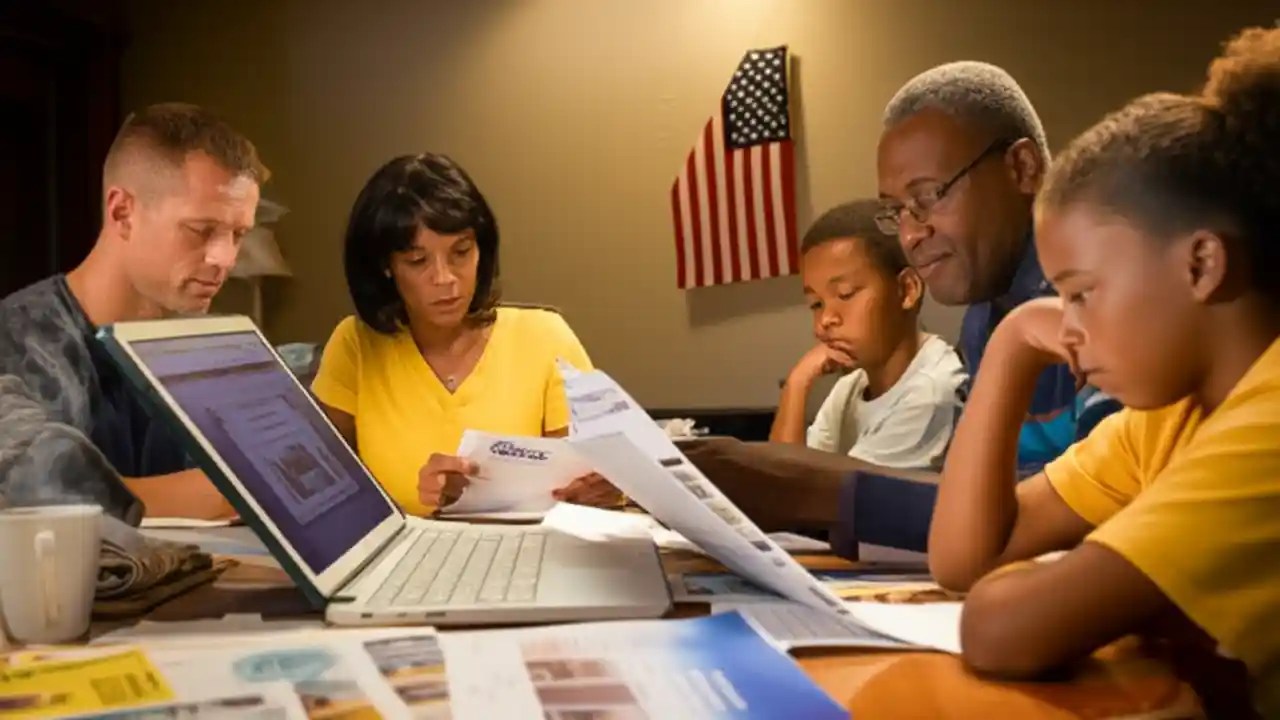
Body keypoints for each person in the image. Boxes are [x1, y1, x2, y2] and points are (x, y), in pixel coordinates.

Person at [930, 27, 1280, 717]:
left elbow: (1002, 629)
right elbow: (967, 560)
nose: (1067, 326)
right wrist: (1006, 349)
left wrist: (1082, 589)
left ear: (1200, 264)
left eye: (1082, 292)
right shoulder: (1165, 419)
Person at [0, 102, 267, 520]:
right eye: (201, 230)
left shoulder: (197, 346)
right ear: (122, 212)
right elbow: (48, 494)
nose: (224, 258)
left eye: (238, 234)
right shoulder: (17, 341)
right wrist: (237, 490)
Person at [311, 152, 617, 516]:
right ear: (386, 267)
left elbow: (589, 487)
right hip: (404, 559)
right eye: (417, 261)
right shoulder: (355, 344)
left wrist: (597, 490)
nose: (445, 279)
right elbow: (319, 486)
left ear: (481, 250)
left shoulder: (546, 337)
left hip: (531, 554)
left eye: (460, 252)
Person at [876, 61, 1119, 475]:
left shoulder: (1108, 294)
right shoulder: (981, 320)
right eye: (896, 210)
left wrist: (833, 491)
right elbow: (975, 486)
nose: (910, 236)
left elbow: (1098, 505)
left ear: (1022, 168)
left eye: (929, 196)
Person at [770, 200, 966, 469]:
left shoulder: (930, 394)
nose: (826, 320)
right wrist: (796, 384)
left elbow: (792, 493)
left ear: (907, 290)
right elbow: (779, 477)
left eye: (845, 294)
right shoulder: (852, 386)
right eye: (816, 304)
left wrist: (797, 383)